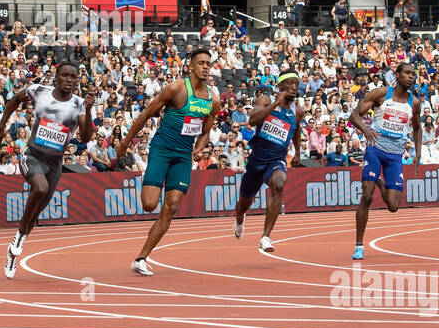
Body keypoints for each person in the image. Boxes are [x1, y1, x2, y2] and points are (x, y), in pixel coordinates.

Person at [116, 48, 221, 276]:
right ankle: (151, 181)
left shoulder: (213, 99)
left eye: (208, 64)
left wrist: (200, 147)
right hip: (162, 150)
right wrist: (125, 143)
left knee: (171, 207)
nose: (205, 67)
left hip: (183, 156)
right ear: (191, 66)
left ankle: (141, 258)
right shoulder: (176, 88)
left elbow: (205, 131)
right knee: (149, 205)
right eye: (201, 63)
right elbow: (145, 115)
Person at [0, 62, 92, 278]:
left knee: (37, 214)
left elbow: (85, 138)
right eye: (64, 75)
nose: (69, 79)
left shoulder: (80, 104)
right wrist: (1, 127)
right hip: (32, 155)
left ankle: (13, 249)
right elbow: (15, 99)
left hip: (55, 163)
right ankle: (19, 235)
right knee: (39, 188)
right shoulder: (39, 91)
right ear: (55, 78)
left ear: (77, 80)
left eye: (73, 76)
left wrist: (90, 110)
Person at [349, 62, 422, 260]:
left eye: (413, 74)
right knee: (366, 196)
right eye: (407, 73)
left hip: (395, 156)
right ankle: (359, 245)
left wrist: (418, 152)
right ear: (397, 75)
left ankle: (380, 180)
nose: (411, 77)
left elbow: (417, 127)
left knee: (393, 206)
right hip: (375, 149)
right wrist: (366, 130)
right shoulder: (381, 94)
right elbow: (354, 115)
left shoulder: (414, 103)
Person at [232, 72, 305, 253]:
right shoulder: (265, 100)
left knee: (279, 183)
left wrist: (297, 152)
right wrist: (275, 103)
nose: (294, 87)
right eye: (289, 83)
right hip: (256, 160)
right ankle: (240, 218)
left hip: (276, 159)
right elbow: (254, 120)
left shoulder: (298, 111)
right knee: (243, 204)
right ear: (279, 87)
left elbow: (296, 130)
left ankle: (265, 236)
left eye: (296, 84)